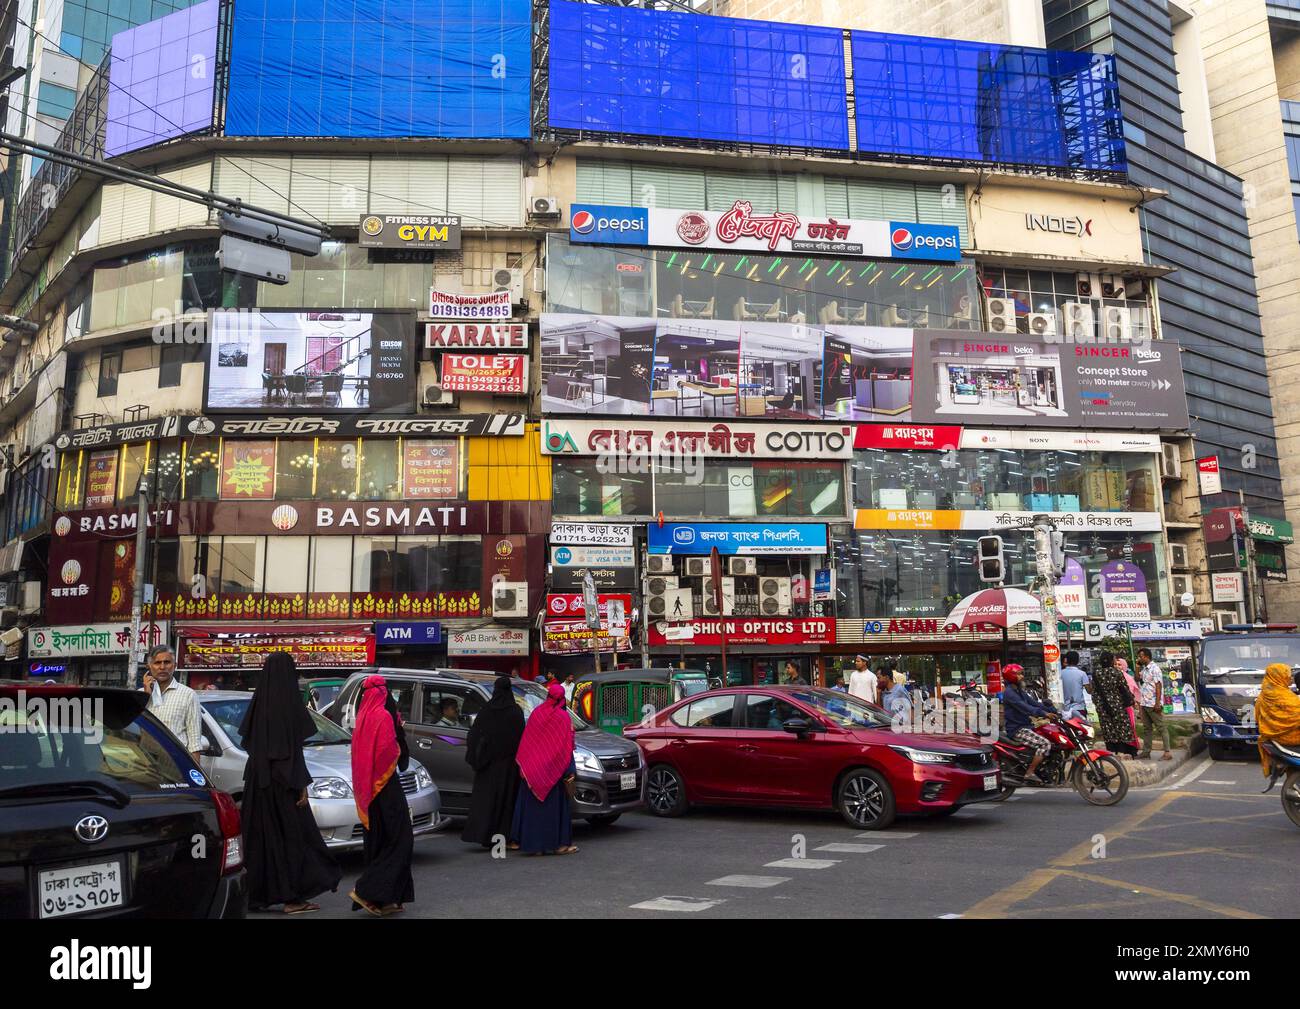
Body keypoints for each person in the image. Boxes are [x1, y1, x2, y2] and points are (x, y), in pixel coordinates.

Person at [238, 653, 341, 913]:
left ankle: (257, 897)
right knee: (294, 840)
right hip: (282, 786)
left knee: (260, 842)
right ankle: (293, 898)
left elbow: (252, 744)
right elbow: (287, 752)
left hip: (257, 784)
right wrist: (301, 784)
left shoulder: (259, 704)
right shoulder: (287, 706)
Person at [349, 675, 415, 916]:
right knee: (401, 840)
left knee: (380, 842)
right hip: (386, 788)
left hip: (369, 792)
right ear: (382, 692)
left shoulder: (362, 717)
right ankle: (367, 890)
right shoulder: (382, 716)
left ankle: (388, 899)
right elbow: (390, 751)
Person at [512, 682, 578, 855]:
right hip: (553, 773)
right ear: (562, 699)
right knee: (555, 812)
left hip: (533, 771)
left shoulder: (537, 713)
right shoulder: (564, 718)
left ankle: (534, 847)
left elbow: (528, 742)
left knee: (534, 812)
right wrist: (570, 770)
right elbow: (566, 748)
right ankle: (559, 845)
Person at [462, 676, 526, 849]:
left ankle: (485, 836)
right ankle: (506, 838)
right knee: (506, 803)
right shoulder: (515, 712)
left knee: (487, 802)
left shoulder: (486, 711)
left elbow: (474, 735)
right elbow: (521, 739)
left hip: (488, 766)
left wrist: (478, 758)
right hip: (508, 767)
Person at [140, 644, 201, 763]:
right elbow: (133, 731)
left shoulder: (188, 695)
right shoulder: (140, 695)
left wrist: (195, 776)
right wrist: (145, 697)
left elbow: (194, 741)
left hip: (176, 764)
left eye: (167, 662)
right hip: (146, 764)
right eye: (157, 663)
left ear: (175, 665)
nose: (162, 667)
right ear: (149, 667)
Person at [1001, 664, 1056, 783]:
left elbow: (1033, 703)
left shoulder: (1019, 690)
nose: (1022, 677)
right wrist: (1044, 714)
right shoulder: (1010, 693)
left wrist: (1051, 709)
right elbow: (1026, 708)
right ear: (1011, 676)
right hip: (1017, 729)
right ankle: (1030, 773)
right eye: (1019, 674)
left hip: (1026, 726)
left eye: (1022, 674)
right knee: (1045, 744)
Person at [1089, 651, 1139, 758]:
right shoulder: (1117, 673)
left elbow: (1094, 693)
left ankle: (1112, 753)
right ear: (1112, 661)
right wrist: (1130, 701)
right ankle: (1126, 752)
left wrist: (1099, 706)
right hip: (1118, 706)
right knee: (1122, 728)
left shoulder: (1096, 674)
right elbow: (1124, 690)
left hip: (1103, 708)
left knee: (1109, 729)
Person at [1255, 662, 1300, 776]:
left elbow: (1257, 718)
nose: (1290, 678)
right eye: (1287, 675)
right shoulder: (1286, 697)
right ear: (1279, 676)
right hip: (1291, 738)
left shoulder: (1262, 696)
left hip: (1272, 737)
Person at [1135, 647, 1172, 761]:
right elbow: (1137, 678)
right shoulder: (1145, 669)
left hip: (1153, 703)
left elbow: (1158, 685)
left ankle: (1167, 752)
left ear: (1146, 656)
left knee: (1161, 727)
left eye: (1140, 656)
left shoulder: (1155, 668)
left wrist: (1157, 703)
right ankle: (1146, 751)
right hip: (1145, 702)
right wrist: (1137, 667)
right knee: (1147, 728)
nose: (1139, 658)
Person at [1116, 657, 1141, 750]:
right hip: (1117, 707)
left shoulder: (1128, 678)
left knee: (1129, 728)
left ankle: (1131, 749)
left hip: (1127, 707)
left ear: (1124, 666)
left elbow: (1132, 692)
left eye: (1120, 665)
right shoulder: (1113, 677)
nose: (1117, 666)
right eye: (1116, 664)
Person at [1059, 650, 1090, 720]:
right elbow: (1089, 691)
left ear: (1067, 660)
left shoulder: (1060, 673)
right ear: (1078, 660)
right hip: (1079, 708)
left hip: (1064, 709)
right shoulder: (1082, 674)